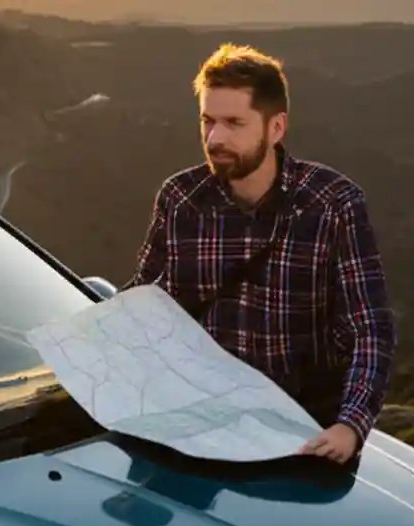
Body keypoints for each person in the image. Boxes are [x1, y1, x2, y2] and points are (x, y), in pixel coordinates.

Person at [125, 43, 397, 465]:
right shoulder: (180, 199)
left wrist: (350, 425)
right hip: (202, 422)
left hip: (304, 432)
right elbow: (143, 305)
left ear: (276, 128)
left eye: (234, 123)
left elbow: (370, 328)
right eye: (208, 121)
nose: (215, 138)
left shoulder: (333, 205)